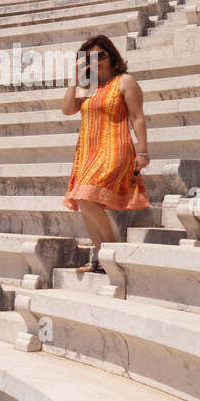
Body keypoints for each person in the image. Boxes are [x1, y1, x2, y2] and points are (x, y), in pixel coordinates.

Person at [61, 34, 150, 273]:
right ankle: (100, 258)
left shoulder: (125, 81)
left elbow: (137, 117)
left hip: (116, 147)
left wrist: (143, 152)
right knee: (82, 201)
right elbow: (68, 110)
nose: (97, 60)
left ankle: (113, 250)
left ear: (112, 55)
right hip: (87, 151)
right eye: (90, 57)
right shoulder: (87, 86)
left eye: (101, 55)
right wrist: (75, 77)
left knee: (85, 196)